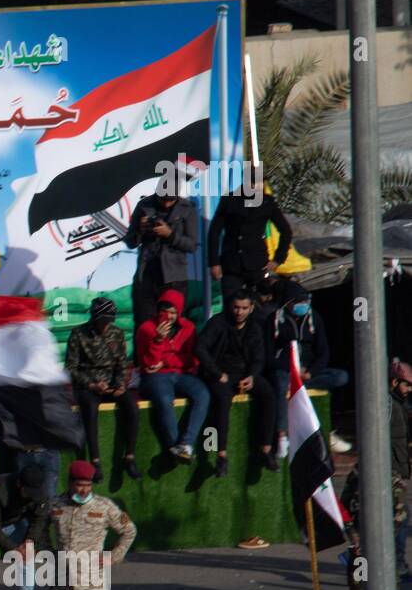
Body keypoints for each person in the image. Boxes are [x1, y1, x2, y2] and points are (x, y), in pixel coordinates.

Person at [342, 358, 412, 590]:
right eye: (406, 385)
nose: (409, 390)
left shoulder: (399, 404)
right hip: (385, 471)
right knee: (391, 520)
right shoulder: (387, 405)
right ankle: (388, 569)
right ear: (394, 382)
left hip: (391, 470)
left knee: (396, 519)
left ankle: (381, 570)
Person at [195, 288, 278, 475]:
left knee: (269, 395)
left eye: (243, 308)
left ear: (250, 308)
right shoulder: (217, 323)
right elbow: (200, 348)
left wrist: (252, 376)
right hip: (220, 374)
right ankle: (221, 455)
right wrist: (217, 374)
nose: (239, 312)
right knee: (222, 402)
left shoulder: (254, 328)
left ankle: (266, 449)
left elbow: (259, 357)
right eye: (236, 307)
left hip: (244, 374)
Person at [65, 297, 142, 480]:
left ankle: (129, 457)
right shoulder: (78, 334)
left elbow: (122, 363)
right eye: (102, 321)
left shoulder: (117, 333)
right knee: (90, 410)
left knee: (132, 406)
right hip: (88, 385)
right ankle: (95, 461)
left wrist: (120, 384)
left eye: (109, 321)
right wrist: (91, 384)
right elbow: (70, 367)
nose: (106, 325)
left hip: (112, 384)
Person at [270, 281, 350, 458]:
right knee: (280, 383)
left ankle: (329, 429)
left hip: (307, 373)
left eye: (305, 302)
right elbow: (269, 355)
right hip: (285, 371)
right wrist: (291, 370)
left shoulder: (314, 318)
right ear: (288, 303)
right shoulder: (276, 320)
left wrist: (310, 371)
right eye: (298, 303)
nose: (303, 306)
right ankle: (282, 435)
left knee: (340, 377)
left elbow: (323, 352)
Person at [48, 461, 136, 590]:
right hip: (63, 582)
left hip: (92, 584)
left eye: (88, 485)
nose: (84, 490)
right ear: (70, 483)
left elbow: (129, 531)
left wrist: (114, 556)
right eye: (80, 485)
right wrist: (49, 553)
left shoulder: (104, 506)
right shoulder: (55, 504)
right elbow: (40, 529)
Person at [135, 288, 209, 463]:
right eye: (165, 311)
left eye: (173, 312)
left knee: (203, 394)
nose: (169, 316)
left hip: (181, 373)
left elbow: (190, 359)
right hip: (155, 377)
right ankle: (174, 447)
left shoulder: (188, 328)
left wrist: (167, 361)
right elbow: (149, 364)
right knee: (164, 399)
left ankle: (186, 443)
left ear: (179, 312)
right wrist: (158, 340)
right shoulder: (146, 329)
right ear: (158, 311)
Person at [207, 184, 293, 304]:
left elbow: (286, 231)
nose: (255, 187)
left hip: (257, 264)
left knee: (258, 307)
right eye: (251, 183)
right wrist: (214, 263)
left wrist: (278, 259)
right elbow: (214, 232)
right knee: (232, 305)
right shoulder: (229, 200)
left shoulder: (266, 202)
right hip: (232, 264)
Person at [123, 187, 198, 325]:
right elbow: (130, 241)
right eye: (163, 200)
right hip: (146, 276)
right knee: (144, 326)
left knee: (172, 326)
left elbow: (192, 245)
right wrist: (140, 229)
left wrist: (170, 234)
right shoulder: (144, 205)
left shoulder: (187, 208)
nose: (166, 204)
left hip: (174, 278)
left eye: (171, 201)